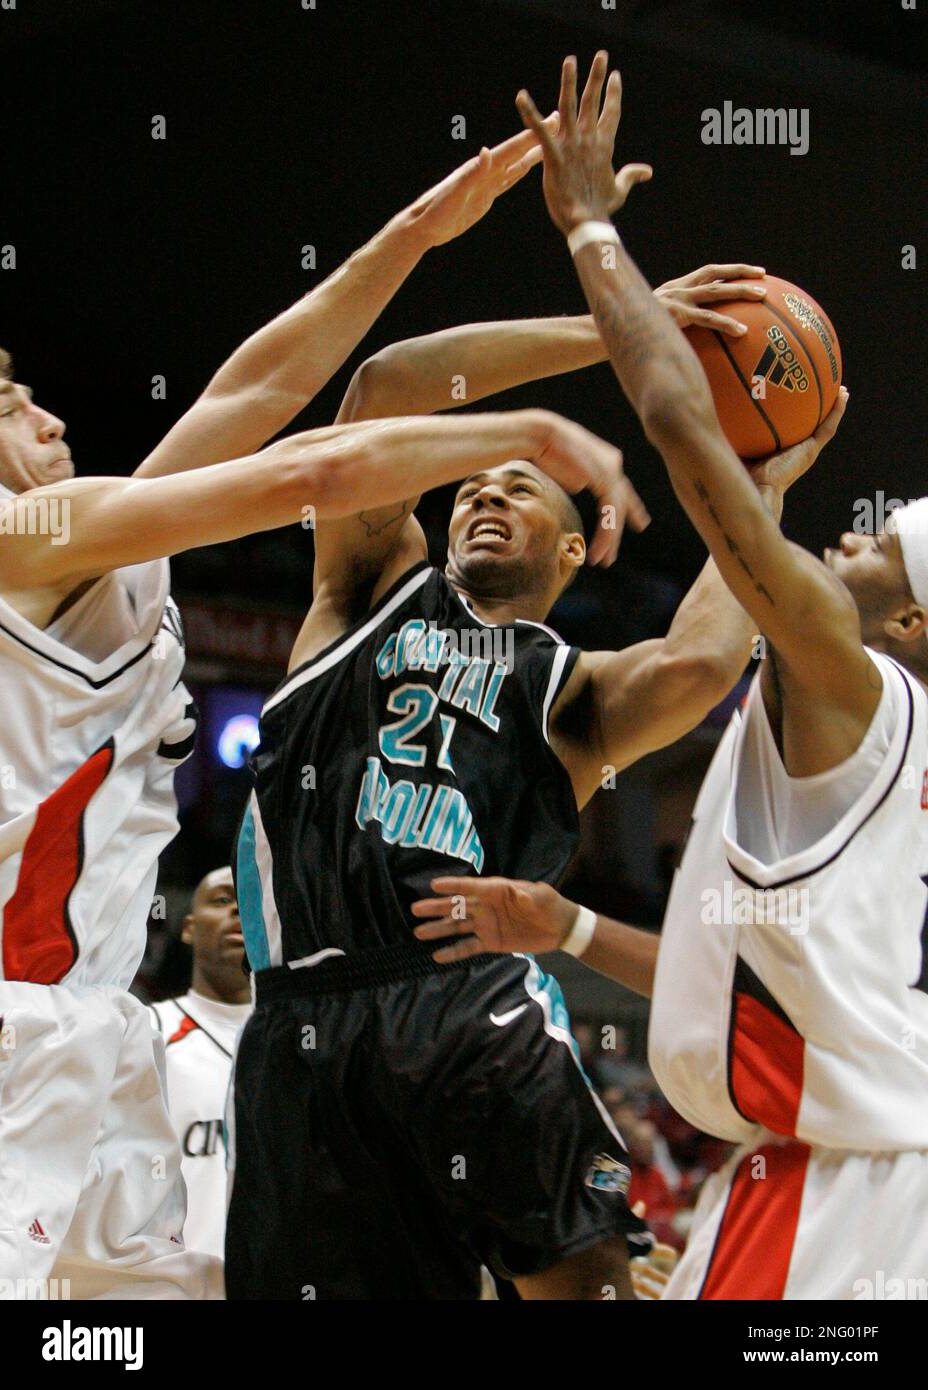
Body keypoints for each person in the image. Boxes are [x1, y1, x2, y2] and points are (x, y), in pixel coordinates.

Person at [0, 125, 611, 1298]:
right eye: (18, 408)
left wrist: (418, 230)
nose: (54, 424)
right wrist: (527, 434)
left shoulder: (93, 543)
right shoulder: (19, 537)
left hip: (92, 1024)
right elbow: (312, 471)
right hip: (12, 1024)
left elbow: (263, 387)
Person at [224, 136, 825, 1300]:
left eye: (522, 485)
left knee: (588, 1278)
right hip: (304, 1023)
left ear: (571, 545)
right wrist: (618, 325)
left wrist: (759, 480)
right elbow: (388, 388)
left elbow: (705, 664)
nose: (489, 489)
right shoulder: (363, 589)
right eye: (475, 482)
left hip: (470, 1002)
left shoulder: (575, 691)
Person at [413, 51, 928, 1300]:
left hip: (841, 1197)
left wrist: (591, 231)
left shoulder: (861, 698)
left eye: (882, 543)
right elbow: (771, 957)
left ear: (914, 615)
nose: (849, 536)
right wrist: (573, 927)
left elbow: (685, 438)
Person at [150, 869, 249, 1259]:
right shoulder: (147, 1032)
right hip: (173, 1282)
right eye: (223, 900)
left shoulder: (304, 1040)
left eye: (251, 900)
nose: (240, 909)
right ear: (188, 928)